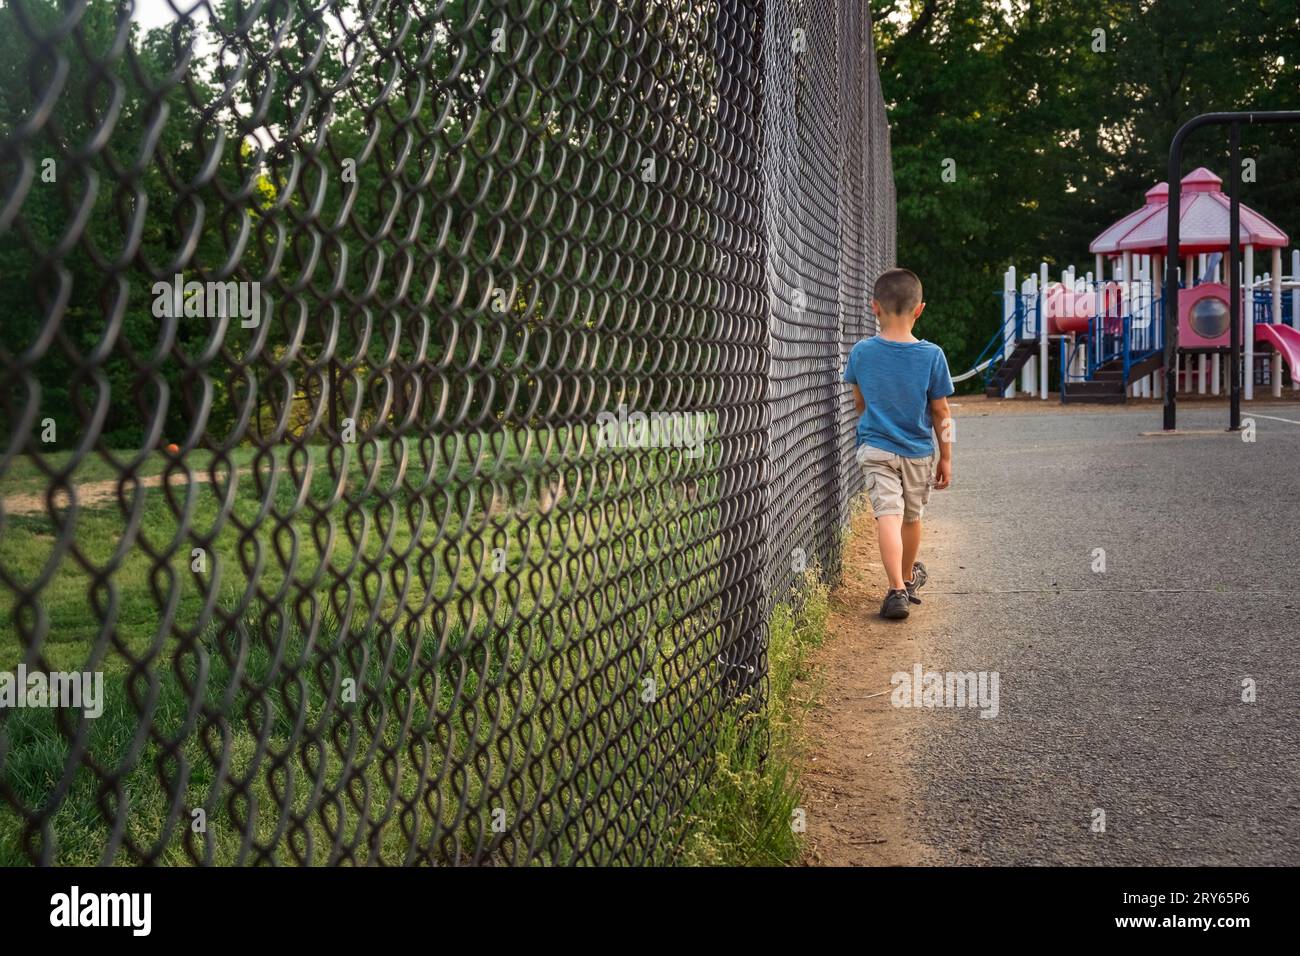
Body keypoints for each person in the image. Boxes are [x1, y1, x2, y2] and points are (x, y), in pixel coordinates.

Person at [842, 268, 954, 620]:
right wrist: (947, 457)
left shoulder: (861, 353)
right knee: (910, 517)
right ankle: (907, 578)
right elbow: (942, 412)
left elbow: (860, 404)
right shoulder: (932, 355)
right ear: (920, 309)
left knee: (885, 516)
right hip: (918, 451)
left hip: (875, 448)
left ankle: (895, 590)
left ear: (874, 307)